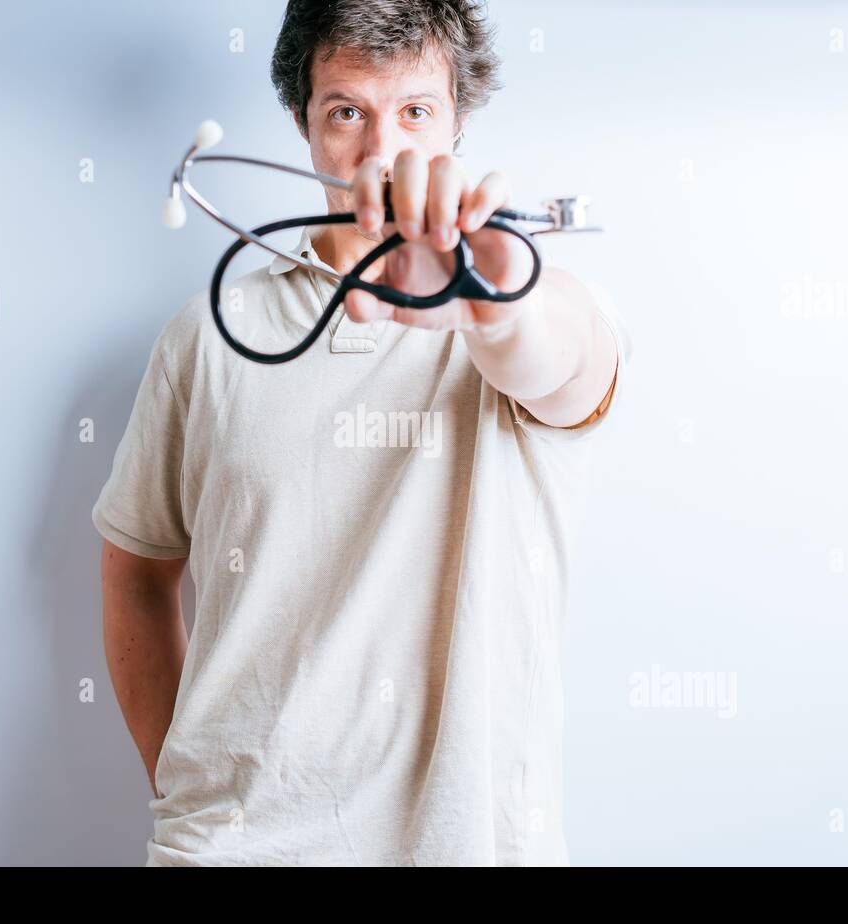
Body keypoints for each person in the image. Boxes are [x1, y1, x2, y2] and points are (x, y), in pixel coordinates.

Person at [92, 0, 632, 865]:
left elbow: (557, 361)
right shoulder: (211, 333)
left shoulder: (533, 300)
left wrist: (488, 310)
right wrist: (194, 803)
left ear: (459, 120)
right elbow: (136, 575)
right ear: (304, 126)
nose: (381, 150)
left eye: (415, 111)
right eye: (348, 111)